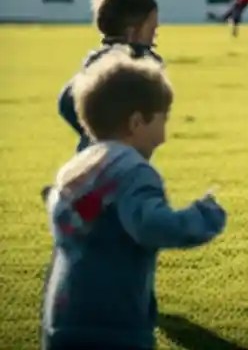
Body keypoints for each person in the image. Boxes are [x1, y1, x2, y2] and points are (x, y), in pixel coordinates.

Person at [42, 49, 226, 350]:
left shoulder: (74, 170)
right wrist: (204, 216)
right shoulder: (133, 172)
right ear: (137, 122)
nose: (163, 137)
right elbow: (151, 225)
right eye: (162, 120)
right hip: (115, 324)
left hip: (63, 319)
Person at [57, 0, 162, 153]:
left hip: (92, 155)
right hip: (120, 157)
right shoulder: (133, 64)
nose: (154, 38)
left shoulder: (96, 62)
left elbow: (65, 102)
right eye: (152, 30)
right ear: (132, 33)